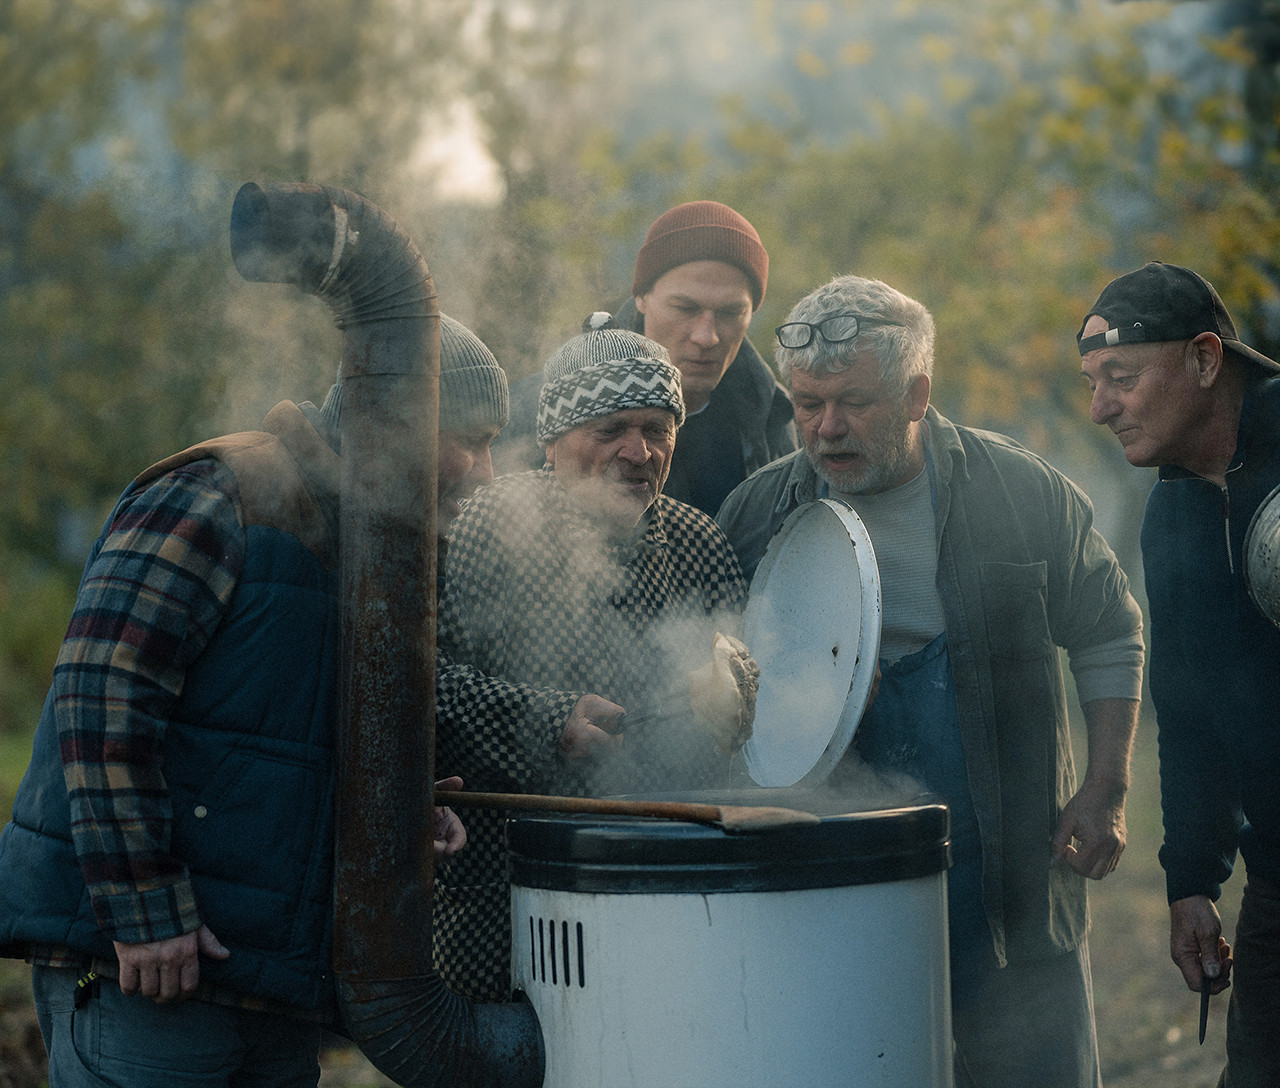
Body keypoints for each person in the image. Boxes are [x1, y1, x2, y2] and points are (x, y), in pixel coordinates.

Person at [0, 315, 507, 1086]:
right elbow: (101, 696)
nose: (485, 471)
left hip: (269, 979)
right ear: (398, 424)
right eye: (470, 439)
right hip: (152, 972)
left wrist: (390, 809)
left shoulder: (378, 555)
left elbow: (279, 743)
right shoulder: (218, 493)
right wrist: (144, 909)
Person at [717, 274, 1145, 1087]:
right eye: (806, 404)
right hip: (831, 882)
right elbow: (713, 690)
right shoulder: (758, 513)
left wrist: (1108, 786)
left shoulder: (1020, 492)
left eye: (853, 403)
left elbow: (1109, 631)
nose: (825, 429)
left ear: (918, 393)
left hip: (1010, 879)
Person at [434, 315, 755, 1001]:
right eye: (610, 429)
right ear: (552, 442)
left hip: (669, 887)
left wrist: (744, 700)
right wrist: (549, 719)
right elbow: (425, 686)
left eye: (657, 428)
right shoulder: (486, 524)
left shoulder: (700, 541)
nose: (637, 451)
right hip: (503, 889)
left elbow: (745, 722)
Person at [1078, 261, 1280, 1088]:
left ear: (1204, 359)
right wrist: (1192, 879)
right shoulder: (1175, 513)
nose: (1099, 408)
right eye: (1093, 384)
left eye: (1119, 377)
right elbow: (1190, 710)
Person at [493, 200, 797, 514]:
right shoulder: (542, 408)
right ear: (641, 297)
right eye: (685, 308)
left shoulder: (776, 416)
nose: (707, 336)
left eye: (731, 312)